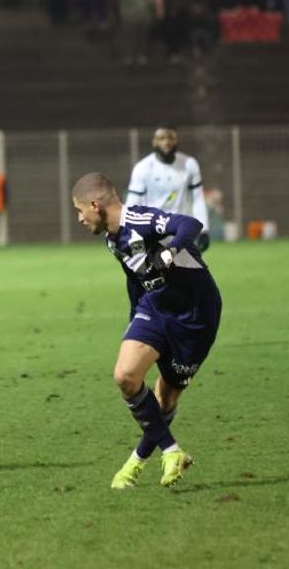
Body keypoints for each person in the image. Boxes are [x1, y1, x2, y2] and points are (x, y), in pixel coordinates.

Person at [70, 172, 222, 489]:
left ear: (95, 205)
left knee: (165, 400)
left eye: (80, 210)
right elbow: (133, 277)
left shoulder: (138, 218)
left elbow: (190, 225)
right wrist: (134, 319)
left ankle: (136, 462)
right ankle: (171, 450)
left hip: (195, 315)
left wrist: (168, 253)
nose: (79, 218)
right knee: (126, 376)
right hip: (154, 307)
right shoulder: (112, 239)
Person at [125, 124, 210, 252]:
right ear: (154, 141)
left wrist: (204, 229)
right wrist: (126, 232)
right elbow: (132, 204)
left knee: (189, 271)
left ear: (177, 140)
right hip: (153, 234)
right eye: (161, 138)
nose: (166, 142)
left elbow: (198, 199)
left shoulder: (189, 164)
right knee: (156, 271)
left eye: (171, 137)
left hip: (182, 232)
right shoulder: (142, 168)